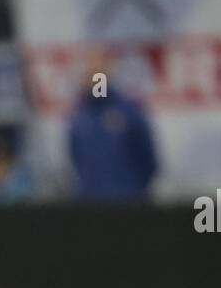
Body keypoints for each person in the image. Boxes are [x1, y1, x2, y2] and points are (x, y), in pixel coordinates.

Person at [67, 55, 158, 199]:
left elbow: (148, 160)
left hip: (127, 202)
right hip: (90, 202)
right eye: (90, 74)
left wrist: (133, 189)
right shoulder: (79, 115)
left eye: (98, 74)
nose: (94, 80)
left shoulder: (129, 111)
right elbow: (75, 157)